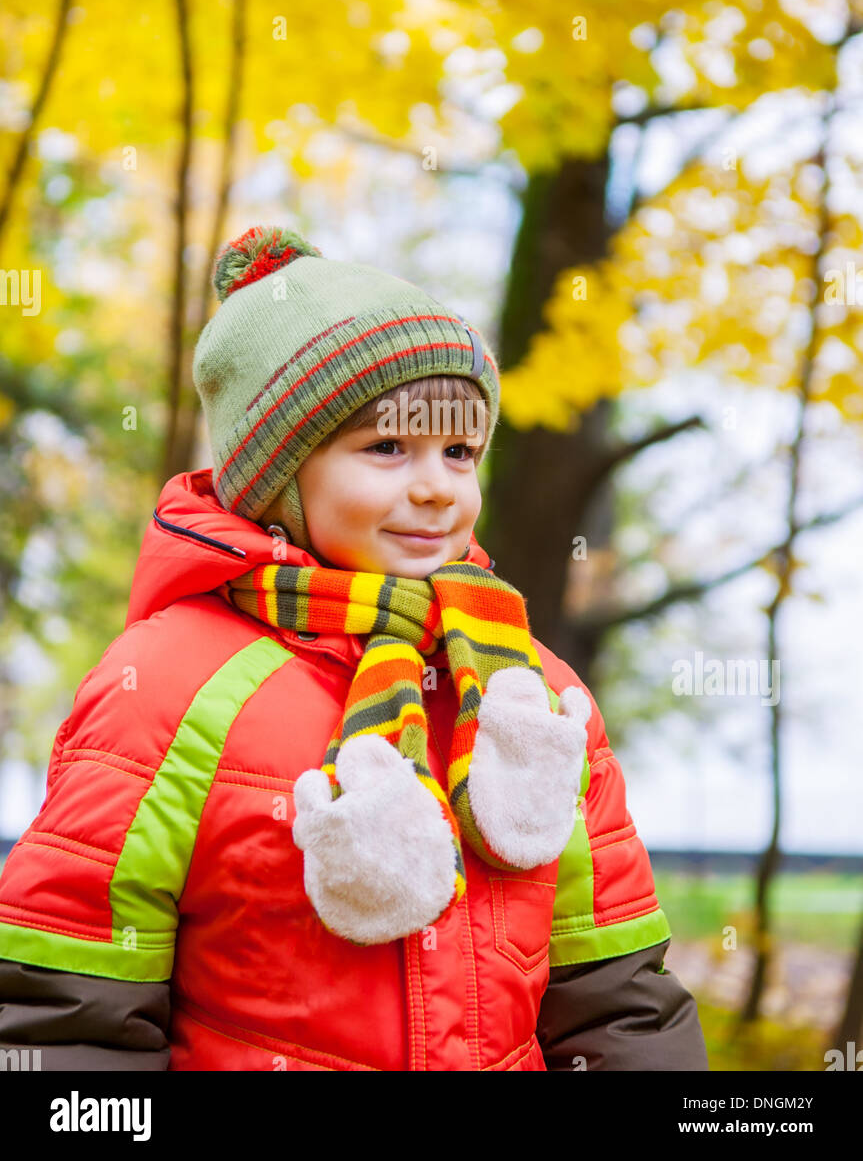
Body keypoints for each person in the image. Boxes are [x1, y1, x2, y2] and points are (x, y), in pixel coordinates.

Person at [0, 225, 709, 1071]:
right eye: (385, 448)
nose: (433, 485)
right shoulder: (165, 686)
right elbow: (72, 1015)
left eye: (458, 451)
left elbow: (617, 1003)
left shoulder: (528, 692)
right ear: (277, 477)